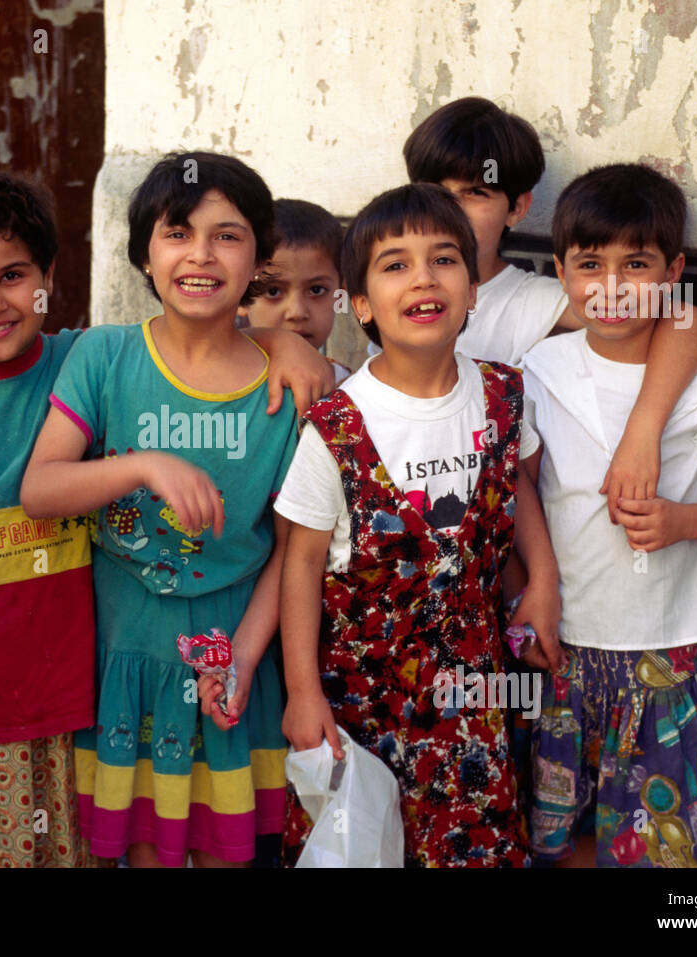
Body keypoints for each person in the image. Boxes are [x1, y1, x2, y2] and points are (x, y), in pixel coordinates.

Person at [0, 164, 330, 867]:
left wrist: (288, 340)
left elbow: (291, 540)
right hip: (11, 690)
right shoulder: (72, 362)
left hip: (135, 682)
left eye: (12, 276)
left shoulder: (98, 358)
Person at [20, 152, 300, 868]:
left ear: (259, 258)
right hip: (126, 661)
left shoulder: (288, 389)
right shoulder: (104, 358)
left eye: (227, 235)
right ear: (145, 252)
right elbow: (41, 489)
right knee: (141, 853)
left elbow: (296, 548)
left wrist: (243, 654)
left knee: (227, 850)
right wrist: (145, 463)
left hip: (235, 659)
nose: (200, 254)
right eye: (178, 232)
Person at [274, 184, 565, 867]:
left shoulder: (501, 392)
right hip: (364, 705)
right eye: (396, 264)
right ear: (364, 303)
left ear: (471, 292)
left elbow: (517, 483)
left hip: (473, 702)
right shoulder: (338, 425)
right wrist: (301, 693)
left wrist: (544, 580)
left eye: (444, 259)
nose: (424, 277)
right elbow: (301, 562)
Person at [523, 163, 697, 867]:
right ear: (560, 271)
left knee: (656, 841)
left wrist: (682, 521)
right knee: (561, 829)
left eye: (635, 264)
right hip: (565, 645)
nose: (610, 287)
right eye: (589, 265)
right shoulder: (540, 370)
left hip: (664, 650)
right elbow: (520, 487)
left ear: (674, 270)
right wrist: (533, 588)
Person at [396, 97, 697, 523]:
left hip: (483, 521)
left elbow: (683, 318)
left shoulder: (534, 299)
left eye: (476, 192)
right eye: (437, 193)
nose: (451, 210)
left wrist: (643, 430)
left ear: (518, 208)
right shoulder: (390, 285)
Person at [245, 198, 351, 383]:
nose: (297, 312)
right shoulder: (215, 384)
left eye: (316, 290)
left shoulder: (349, 389)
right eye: (273, 292)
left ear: (341, 293)